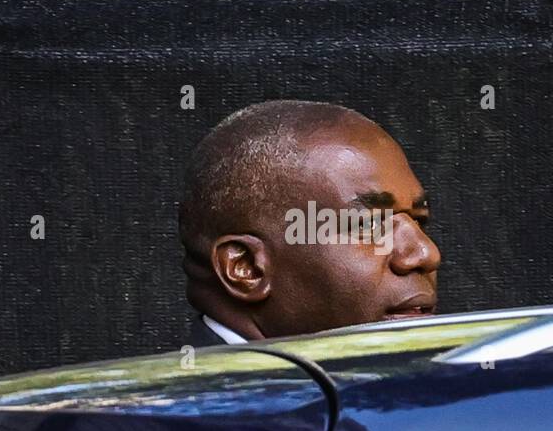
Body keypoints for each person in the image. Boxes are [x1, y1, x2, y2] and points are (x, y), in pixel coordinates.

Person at [178, 100, 441, 345]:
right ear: (246, 267)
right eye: (369, 225)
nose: (426, 254)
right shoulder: (198, 395)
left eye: (420, 221)